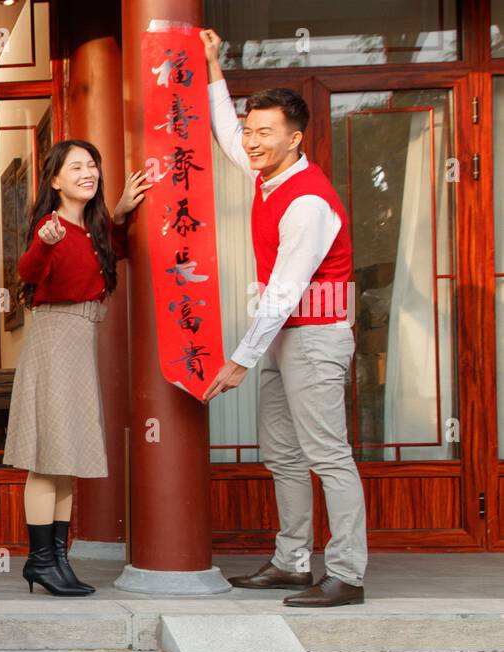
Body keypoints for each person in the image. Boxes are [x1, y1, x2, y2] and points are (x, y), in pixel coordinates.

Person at [198, 29, 367, 608]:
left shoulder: (308, 200)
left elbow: (286, 291)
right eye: (252, 130)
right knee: (283, 454)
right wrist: (214, 67)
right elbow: (225, 134)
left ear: (295, 140)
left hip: (316, 337)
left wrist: (240, 359)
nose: (251, 141)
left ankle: (346, 572)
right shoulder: (268, 176)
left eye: (265, 132)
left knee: (327, 455)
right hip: (282, 340)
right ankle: (293, 562)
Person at [4, 139, 150, 596]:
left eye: (93, 165)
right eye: (76, 167)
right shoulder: (51, 227)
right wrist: (44, 244)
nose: (88, 172)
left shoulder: (94, 228)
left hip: (79, 340)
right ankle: (40, 560)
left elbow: (115, 250)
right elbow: (28, 271)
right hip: (55, 340)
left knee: (65, 462)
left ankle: (57, 562)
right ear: (55, 180)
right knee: (48, 460)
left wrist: (122, 211)